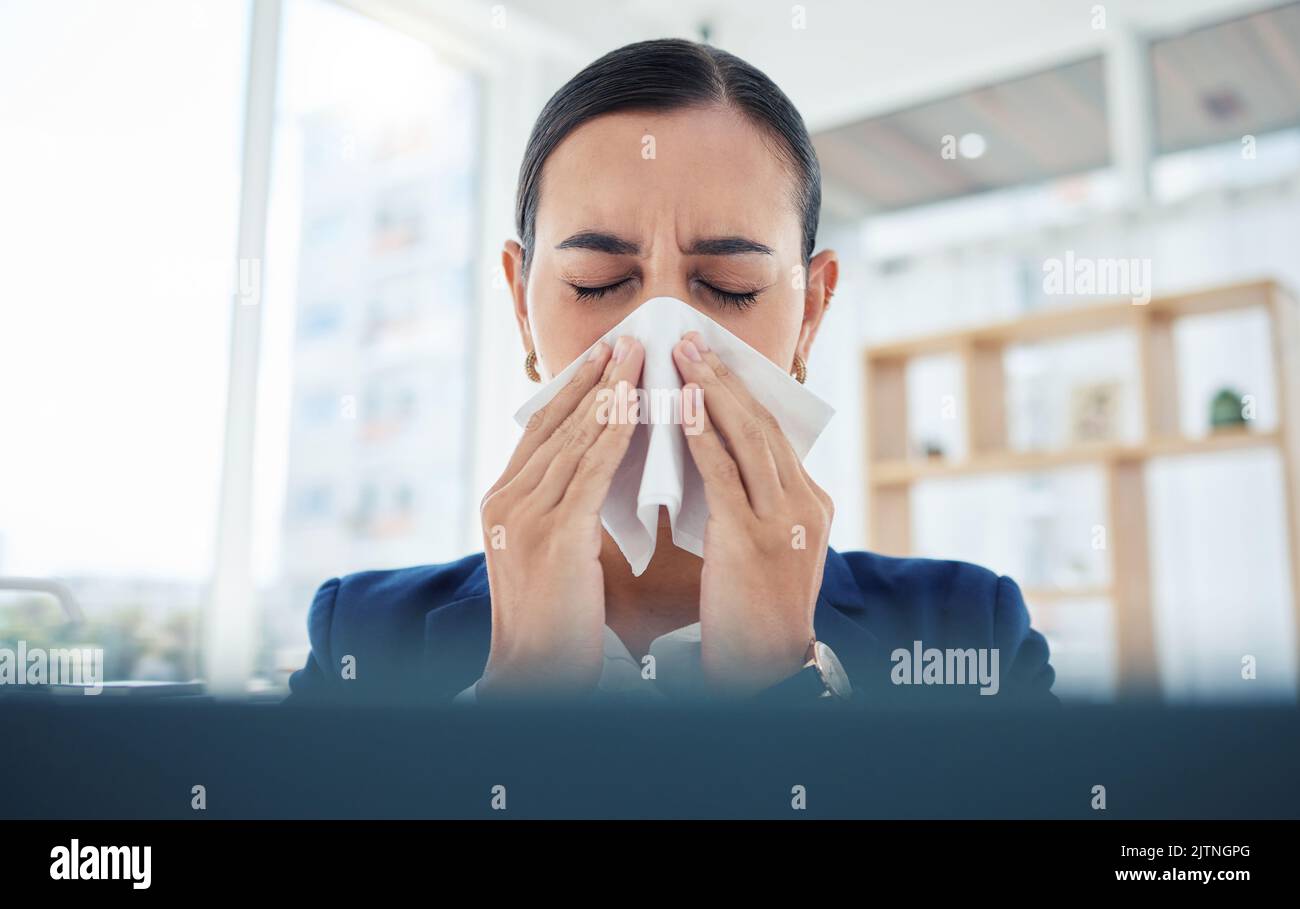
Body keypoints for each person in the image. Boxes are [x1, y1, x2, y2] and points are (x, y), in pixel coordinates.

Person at [285, 38, 1056, 708]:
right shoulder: (362, 636)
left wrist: (783, 690)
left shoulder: (967, 630)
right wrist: (517, 700)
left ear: (810, 313)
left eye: (729, 286)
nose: (662, 339)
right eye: (596, 282)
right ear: (521, 304)